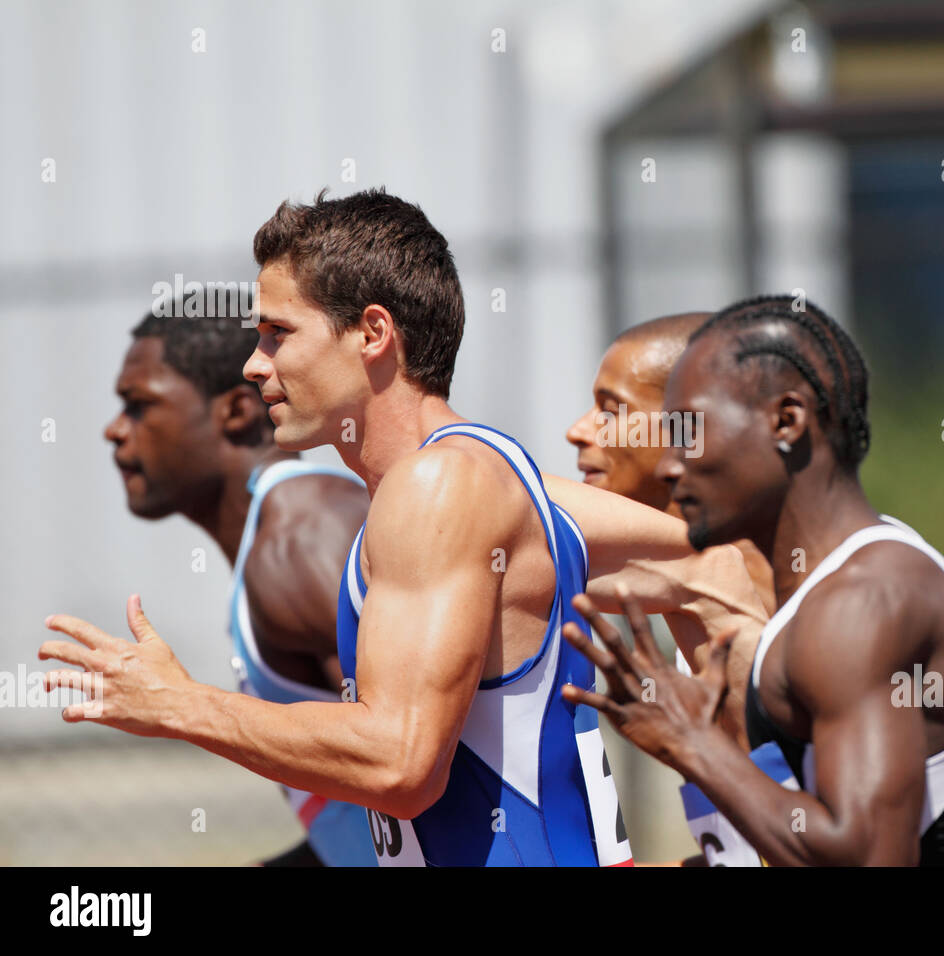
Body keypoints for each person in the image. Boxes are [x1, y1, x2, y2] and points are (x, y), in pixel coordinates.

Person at [40, 188, 766, 867]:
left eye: (278, 335)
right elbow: (719, 569)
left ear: (373, 334)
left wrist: (181, 704)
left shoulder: (437, 486)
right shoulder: (492, 480)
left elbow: (400, 762)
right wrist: (736, 827)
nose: (253, 364)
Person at [563, 295, 944, 865]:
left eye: (614, 410)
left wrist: (695, 745)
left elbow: (869, 854)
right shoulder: (817, 600)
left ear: (786, 422)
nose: (578, 431)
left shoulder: (863, 605)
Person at [106, 300, 373, 866]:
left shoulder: (302, 542)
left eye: (138, 406)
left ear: (232, 411)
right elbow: (369, 815)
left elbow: (413, 767)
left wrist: (185, 707)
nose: (114, 431)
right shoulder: (278, 536)